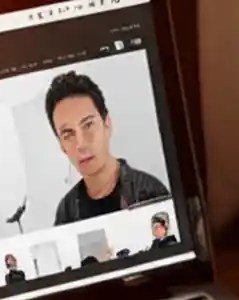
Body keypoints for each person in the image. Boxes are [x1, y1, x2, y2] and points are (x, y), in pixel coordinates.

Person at [46, 71, 170, 226]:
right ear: (61, 145)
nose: (81, 144)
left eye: (88, 125)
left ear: (107, 124)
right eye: (68, 134)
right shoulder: (66, 211)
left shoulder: (148, 191)